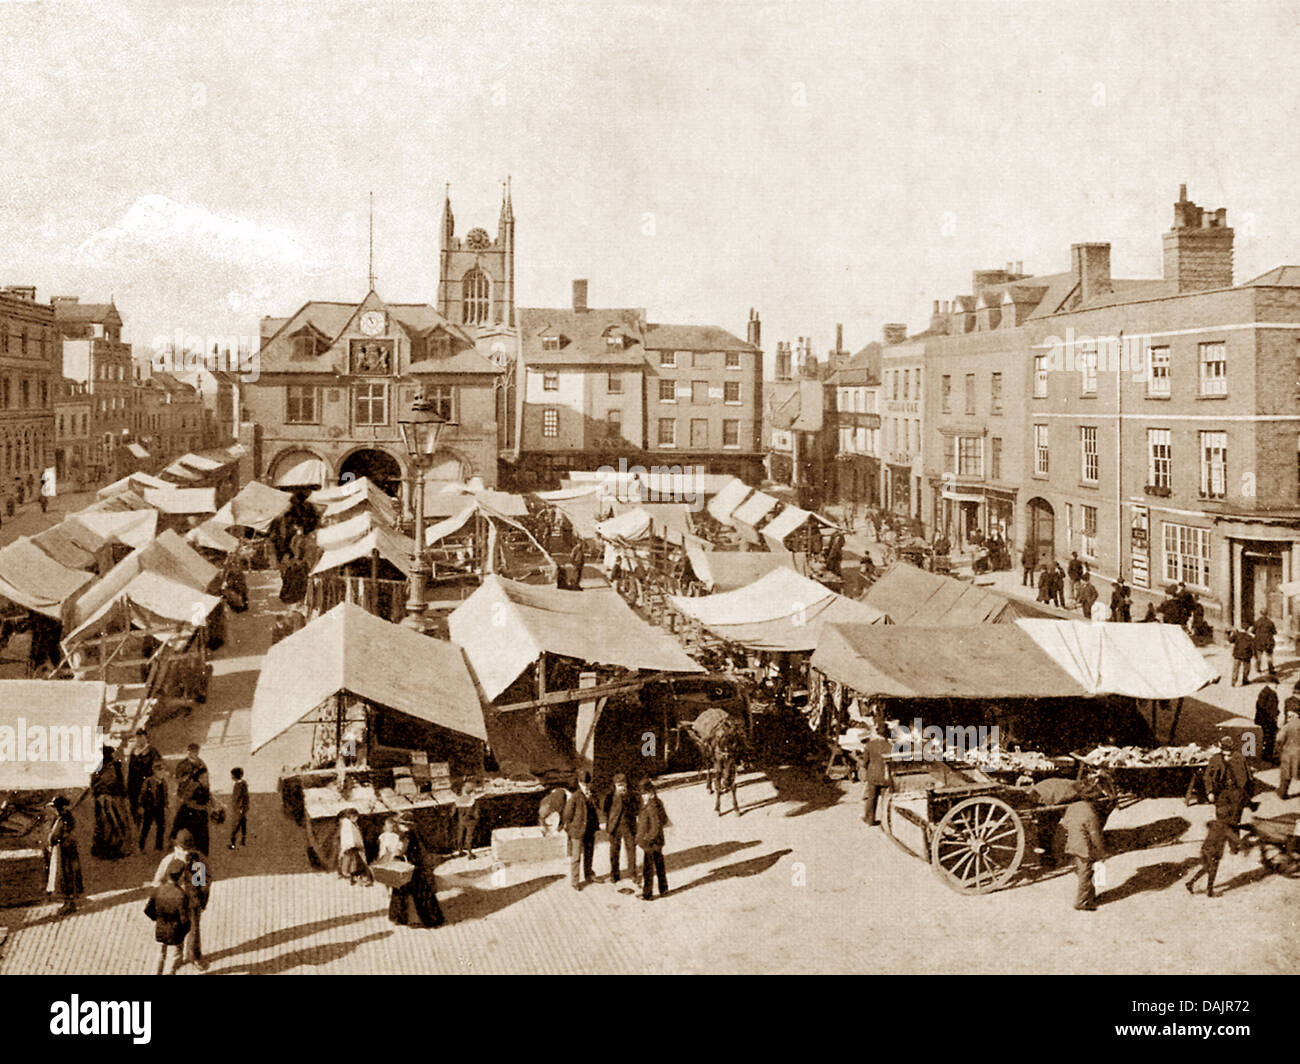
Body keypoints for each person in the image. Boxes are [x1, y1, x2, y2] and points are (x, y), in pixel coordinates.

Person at [387, 816, 445, 928]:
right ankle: (430, 918)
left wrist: (394, 853)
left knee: (406, 892)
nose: (399, 826)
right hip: (418, 865)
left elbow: (400, 850)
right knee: (422, 893)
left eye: (401, 824)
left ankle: (408, 918)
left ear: (405, 825)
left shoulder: (406, 836)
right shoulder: (416, 833)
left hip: (409, 866)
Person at [1204, 735, 1253, 853]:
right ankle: (1227, 846)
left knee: (1228, 820)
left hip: (1229, 794)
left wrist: (1210, 791)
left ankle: (1228, 845)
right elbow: (1208, 777)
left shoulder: (1232, 758)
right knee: (1228, 820)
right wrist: (1210, 791)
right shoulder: (1223, 758)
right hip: (1229, 793)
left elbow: (1208, 777)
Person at [1058, 793, 1106, 911]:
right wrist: (1101, 852)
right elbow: (1095, 836)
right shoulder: (1091, 814)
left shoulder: (1072, 807)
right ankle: (1081, 902)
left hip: (1072, 844)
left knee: (1085, 871)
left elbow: (1064, 824)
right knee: (1086, 873)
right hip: (1084, 847)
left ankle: (1090, 897)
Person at [147, 859, 192, 975]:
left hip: (160, 929)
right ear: (181, 876)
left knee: (160, 954)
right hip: (176, 933)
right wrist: (184, 931)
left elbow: (148, 910)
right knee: (174, 957)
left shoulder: (158, 890)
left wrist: (159, 919)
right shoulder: (181, 895)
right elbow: (185, 920)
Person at [90, 745, 133, 859]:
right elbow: (94, 784)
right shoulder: (99, 768)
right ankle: (108, 849)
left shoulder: (113, 766)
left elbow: (119, 783)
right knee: (108, 824)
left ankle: (115, 849)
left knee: (114, 823)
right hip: (106, 800)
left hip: (112, 799)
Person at [44, 796, 84, 916]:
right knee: (68, 874)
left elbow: (57, 835)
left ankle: (69, 903)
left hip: (64, 851)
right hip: (64, 850)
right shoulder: (63, 818)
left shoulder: (63, 820)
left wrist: (52, 841)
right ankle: (69, 900)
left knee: (66, 875)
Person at [562, 772, 600, 889]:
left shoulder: (593, 794)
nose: (586, 786)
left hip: (590, 829)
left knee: (589, 854)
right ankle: (575, 881)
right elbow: (567, 815)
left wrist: (592, 798)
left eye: (588, 783)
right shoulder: (575, 797)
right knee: (576, 857)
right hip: (577, 831)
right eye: (584, 784)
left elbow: (597, 808)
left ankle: (589, 875)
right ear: (579, 783)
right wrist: (570, 830)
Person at [1183, 817, 1235, 899]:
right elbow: (1236, 840)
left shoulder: (1214, 824)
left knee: (1207, 867)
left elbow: (1208, 824)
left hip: (1205, 848)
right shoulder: (1227, 829)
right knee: (1213, 870)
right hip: (1214, 852)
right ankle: (1210, 891)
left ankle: (1190, 882)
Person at [635, 778, 669, 901]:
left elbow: (656, 825)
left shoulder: (651, 806)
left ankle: (647, 894)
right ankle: (663, 889)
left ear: (651, 792)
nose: (643, 796)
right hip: (658, 841)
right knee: (659, 865)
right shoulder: (657, 802)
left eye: (645, 794)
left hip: (651, 843)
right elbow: (664, 820)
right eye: (642, 794)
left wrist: (647, 837)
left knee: (648, 869)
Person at [604, 774, 639, 884]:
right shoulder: (610, 796)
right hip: (615, 827)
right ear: (615, 785)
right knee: (614, 851)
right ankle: (614, 874)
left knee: (631, 850)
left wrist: (626, 799)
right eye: (619, 785)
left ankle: (632, 873)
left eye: (624, 785)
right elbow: (605, 810)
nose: (622, 787)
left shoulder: (632, 795)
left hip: (629, 826)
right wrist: (610, 822)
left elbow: (637, 809)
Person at [856, 721, 893, 827]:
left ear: (877, 733)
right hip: (885, 776)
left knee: (871, 798)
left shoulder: (870, 745)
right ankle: (885, 821)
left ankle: (869, 820)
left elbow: (865, 762)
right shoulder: (890, 746)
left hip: (872, 775)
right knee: (885, 799)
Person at [125, 729, 163, 823]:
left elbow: (158, 768)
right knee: (134, 807)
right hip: (134, 784)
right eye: (138, 737)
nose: (139, 740)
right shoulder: (134, 752)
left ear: (146, 738)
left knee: (147, 808)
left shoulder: (152, 751)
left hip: (148, 784)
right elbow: (130, 770)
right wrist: (128, 784)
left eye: (141, 737)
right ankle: (137, 825)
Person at [170, 772, 211, 855]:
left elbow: (209, 799)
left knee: (204, 837)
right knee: (194, 835)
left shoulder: (206, 787)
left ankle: (202, 855)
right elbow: (186, 800)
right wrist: (198, 807)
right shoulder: (194, 786)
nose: (206, 779)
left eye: (207, 777)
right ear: (199, 778)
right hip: (191, 814)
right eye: (204, 777)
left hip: (201, 814)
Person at [138, 761, 168, 852]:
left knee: (161, 827)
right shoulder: (148, 782)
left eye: (163, 771)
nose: (162, 773)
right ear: (155, 771)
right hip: (150, 808)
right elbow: (142, 795)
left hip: (160, 808)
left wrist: (166, 805)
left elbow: (165, 795)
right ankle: (141, 846)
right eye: (160, 771)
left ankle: (159, 847)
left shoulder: (164, 782)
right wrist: (141, 806)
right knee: (146, 827)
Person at [337, 808, 372, 886]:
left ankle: (360, 879)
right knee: (355, 864)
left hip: (352, 847)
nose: (356, 819)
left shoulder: (350, 825)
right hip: (353, 847)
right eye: (355, 817)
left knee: (354, 864)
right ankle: (359, 879)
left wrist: (346, 847)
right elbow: (349, 837)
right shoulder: (348, 824)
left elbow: (350, 837)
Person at [454, 780, 480, 859]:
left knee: (460, 835)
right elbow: (476, 813)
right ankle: (470, 853)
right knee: (469, 836)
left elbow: (453, 812)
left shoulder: (458, 799)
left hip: (461, 820)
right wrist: (476, 819)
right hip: (470, 820)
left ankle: (460, 851)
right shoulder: (473, 800)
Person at [1277, 710, 1300, 799]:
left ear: (1294, 716)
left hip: (1289, 753)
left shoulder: (1287, 726)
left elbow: (1279, 739)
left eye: (1289, 716)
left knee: (1286, 774)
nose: (1288, 718)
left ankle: (1282, 793)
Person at [1255, 685, 1280, 763]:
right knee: (1269, 736)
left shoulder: (1267, 692)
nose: (1276, 686)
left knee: (1269, 736)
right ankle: (1267, 755)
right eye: (1275, 684)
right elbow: (1261, 706)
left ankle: (1267, 753)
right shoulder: (1267, 693)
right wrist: (1271, 716)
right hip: (1267, 719)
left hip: (1268, 719)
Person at [1252, 612, 1278, 682]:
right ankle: (1271, 669)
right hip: (1268, 641)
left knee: (1259, 656)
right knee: (1269, 656)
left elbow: (1253, 631)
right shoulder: (1270, 622)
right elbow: (1274, 632)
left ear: (1260, 613)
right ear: (1267, 614)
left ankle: (1258, 668)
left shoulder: (1257, 622)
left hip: (1259, 641)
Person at [227, 767, 249, 849]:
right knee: (243, 824)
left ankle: (233, 844)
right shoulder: (242, 784)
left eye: (232, 775)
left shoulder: (239, 785)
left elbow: (241, 798)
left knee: (235, 826)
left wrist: (240, 808)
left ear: (235, 776)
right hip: (240, 808)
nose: (231, 776)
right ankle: (243, 841)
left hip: (239, 808)